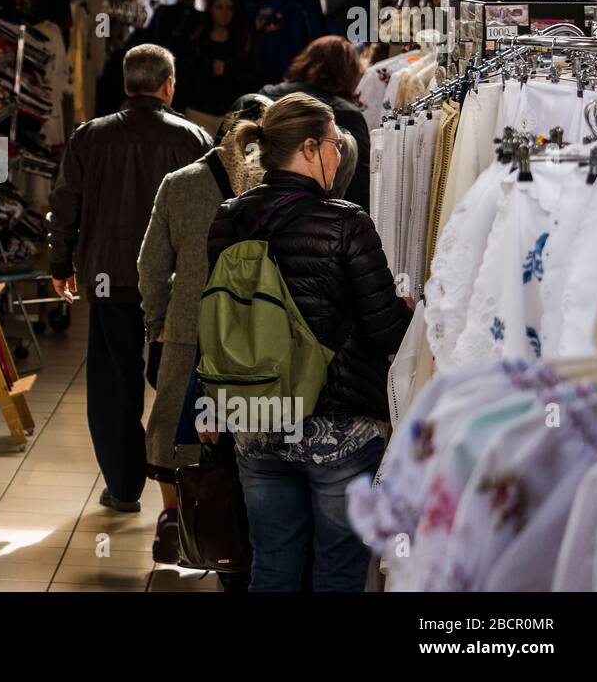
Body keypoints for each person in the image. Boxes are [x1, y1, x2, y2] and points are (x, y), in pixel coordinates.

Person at [205, 94, 412, 592]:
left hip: (254, 417)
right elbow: (385, 331)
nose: (341, 154)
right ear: (312, 146)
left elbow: (216, 318)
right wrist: (406, 310)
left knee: (272, 565)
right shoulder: (347, 222)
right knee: (337, 572)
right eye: (337, 143)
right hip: (337, 426)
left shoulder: (229, 217)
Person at [48, 44, 212, 512]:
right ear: (168, 85)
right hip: (174, 283)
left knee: (113, 382)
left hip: (108, 277)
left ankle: (123, 486)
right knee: (172, 377)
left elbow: (65, 206)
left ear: (125, 85)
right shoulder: (193, 139)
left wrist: (60, 265)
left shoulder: (89, 138)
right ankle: (175, 481)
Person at [137, 94, 271, 580]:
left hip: (188, 328)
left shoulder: (180, 183)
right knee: (249, 431)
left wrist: (157, 323)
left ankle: (178, 516)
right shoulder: (274, 184)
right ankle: (240, 535)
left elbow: (151, 265)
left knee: (172, 427)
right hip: (257, 334)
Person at [261, 36, 371, 209]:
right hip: (325, 215)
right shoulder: (348, 114)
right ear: (349, 72)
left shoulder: (267, 95)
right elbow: (360, 184)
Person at [238, 0, 327, 87]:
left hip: (291, 79)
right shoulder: (242, 1)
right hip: (251, 78)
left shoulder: (301, 2)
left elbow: (317, 39)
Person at [177, 0, 260, 134]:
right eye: (219, 7)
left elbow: (252, 80)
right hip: (199, 113)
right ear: (211, 10)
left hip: (230, 116)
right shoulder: (197, 42)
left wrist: (229, 70)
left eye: (229, 8)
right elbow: (185, 77)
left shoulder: (242, 44)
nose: (224, 12)